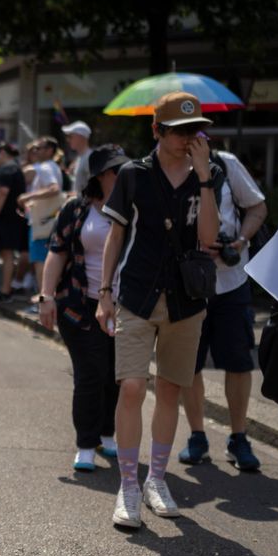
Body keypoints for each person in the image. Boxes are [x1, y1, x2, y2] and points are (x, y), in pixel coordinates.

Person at [97, 91, 221, 529]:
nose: (187, 137)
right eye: (178, 130)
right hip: (136, 291)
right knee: (131, 387)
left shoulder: (211, 172)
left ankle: (156, 479)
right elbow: (115, 236)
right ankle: (128, 485)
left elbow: (208, 239)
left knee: (170, 389)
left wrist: (205, 179)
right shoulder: (134, 173)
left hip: (187, 299)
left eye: (194, 129)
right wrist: (104, 291)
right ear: (157, 131)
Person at [39, 145, 127, 471]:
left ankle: (107, 432)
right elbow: (57, 252)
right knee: (90, 374)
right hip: (79, 305)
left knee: (116, 375)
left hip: (126, 307)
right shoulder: (77, 209)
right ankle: (86, 444)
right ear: (100, 176)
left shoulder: (136, 209)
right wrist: (46, 297)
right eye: (116, 171)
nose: (122, 176)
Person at [179, 150, 268, 471]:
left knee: (239, 362)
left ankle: (238, 437)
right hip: (189, 283)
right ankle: (197, 436)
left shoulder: (227, 162)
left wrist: (239, 242)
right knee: (188, 365)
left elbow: (257, 207)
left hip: (232, 282)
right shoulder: (165, 165)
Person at [18, 136, 64, 302]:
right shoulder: (49, 166)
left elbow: (54, 189)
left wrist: (27, 196)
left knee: (40, 264)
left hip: (43, 224)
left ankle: (44, 300)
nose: (35, 151)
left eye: (39, 148)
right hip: (45, 221)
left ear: (49, 150)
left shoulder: (45, 167)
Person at [0, 142, 28, 304]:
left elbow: (2, 192)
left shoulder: (7, 168)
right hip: (10, 219)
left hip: (6, 219)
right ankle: (8, 287)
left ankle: (5, 290)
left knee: (7, 254)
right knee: (7, 254)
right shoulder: (11, 168)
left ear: (2, 152)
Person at [62, 121, 93, 194]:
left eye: (71, 136)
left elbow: (93, 187)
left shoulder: (90, 157)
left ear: (81, 137)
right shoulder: (79, 157)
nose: (68, 140)